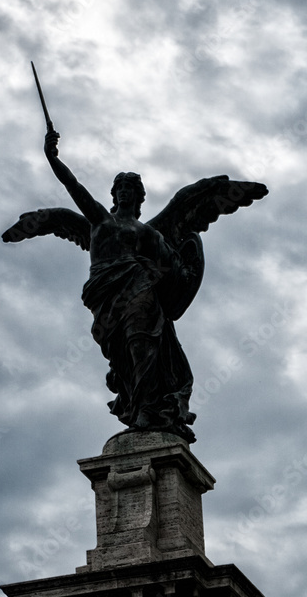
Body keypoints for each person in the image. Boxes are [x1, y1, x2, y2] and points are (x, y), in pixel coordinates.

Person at [43, 128, 197, 441]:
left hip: (141, 290)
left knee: (141, 344)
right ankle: (138, 403)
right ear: (114, 194)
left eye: (130, 187)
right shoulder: (100, 219)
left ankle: (144, 411)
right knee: (120, 354)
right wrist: (52, 157)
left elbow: (174, 266)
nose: (124, 191)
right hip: (105, 294)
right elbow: (72, 185)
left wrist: (186, 273)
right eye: (120, 187)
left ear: (140, 196)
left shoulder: (148, 233)